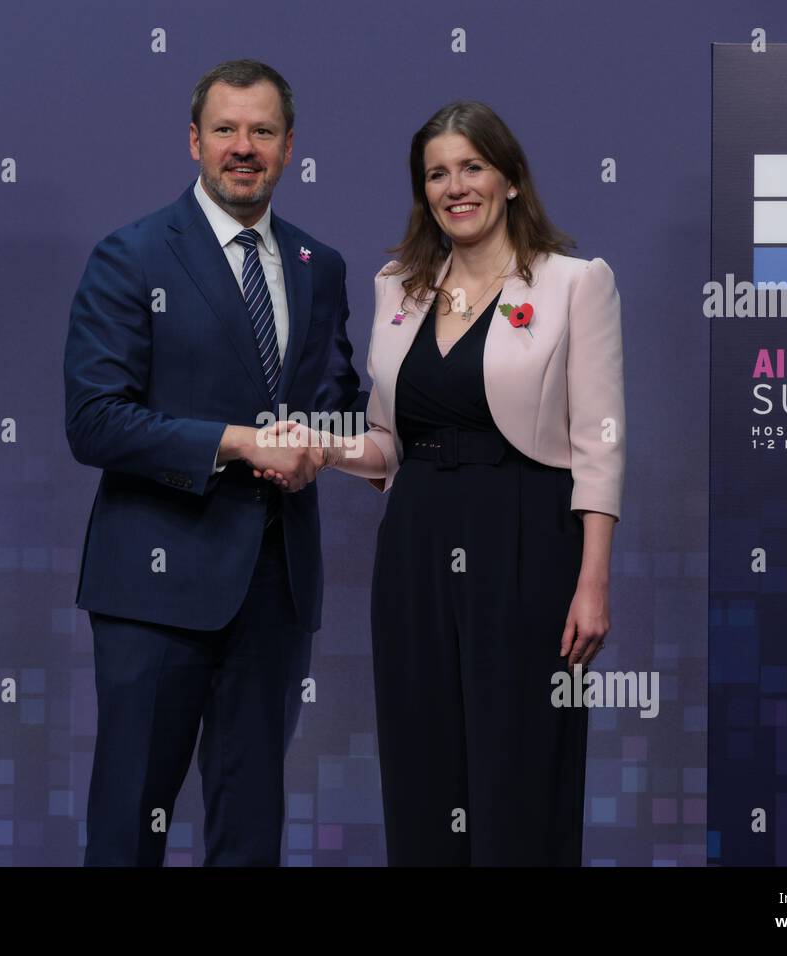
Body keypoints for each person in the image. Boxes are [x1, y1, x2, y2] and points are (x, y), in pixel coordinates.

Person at [277, 100, 625, 865]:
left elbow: (599, 442)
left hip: (530, 536)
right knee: (421, 752)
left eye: (471, 167)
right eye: (437, 173)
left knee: (520, 759)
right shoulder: (397, 287)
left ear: (509, 180)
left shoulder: (575, 283)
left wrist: (592, 581)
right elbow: (384, 444)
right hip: (417, 540)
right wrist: (317, 444)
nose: (455, 186)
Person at [63, 59, 365, 866]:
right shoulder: (130, 256)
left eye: (262, 131)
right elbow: (95, 422)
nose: (244, 147)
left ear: (289, 146)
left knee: (251, 832)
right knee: (131, 823)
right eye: (226, 129)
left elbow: (339, 406)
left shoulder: (320, 266)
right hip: (155, 588)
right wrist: (237, 441)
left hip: (275, 589)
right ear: (194, 141)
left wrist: (317, 453)